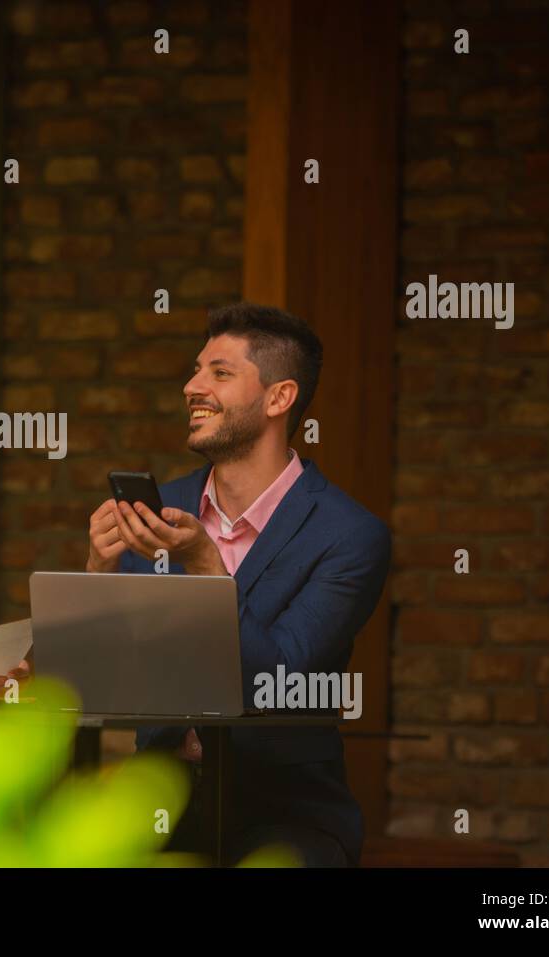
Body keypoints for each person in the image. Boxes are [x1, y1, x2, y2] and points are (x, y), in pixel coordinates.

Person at [84, 303, 390, 867]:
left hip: (284, 812)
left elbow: (277, 682)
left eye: (220, 374)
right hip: (158, 801)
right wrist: (97, 572)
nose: (192, 386)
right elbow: (97, 677)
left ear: (279, 398)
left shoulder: (350, 536)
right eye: (196, 370)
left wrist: (205, 565)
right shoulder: (163, 508)